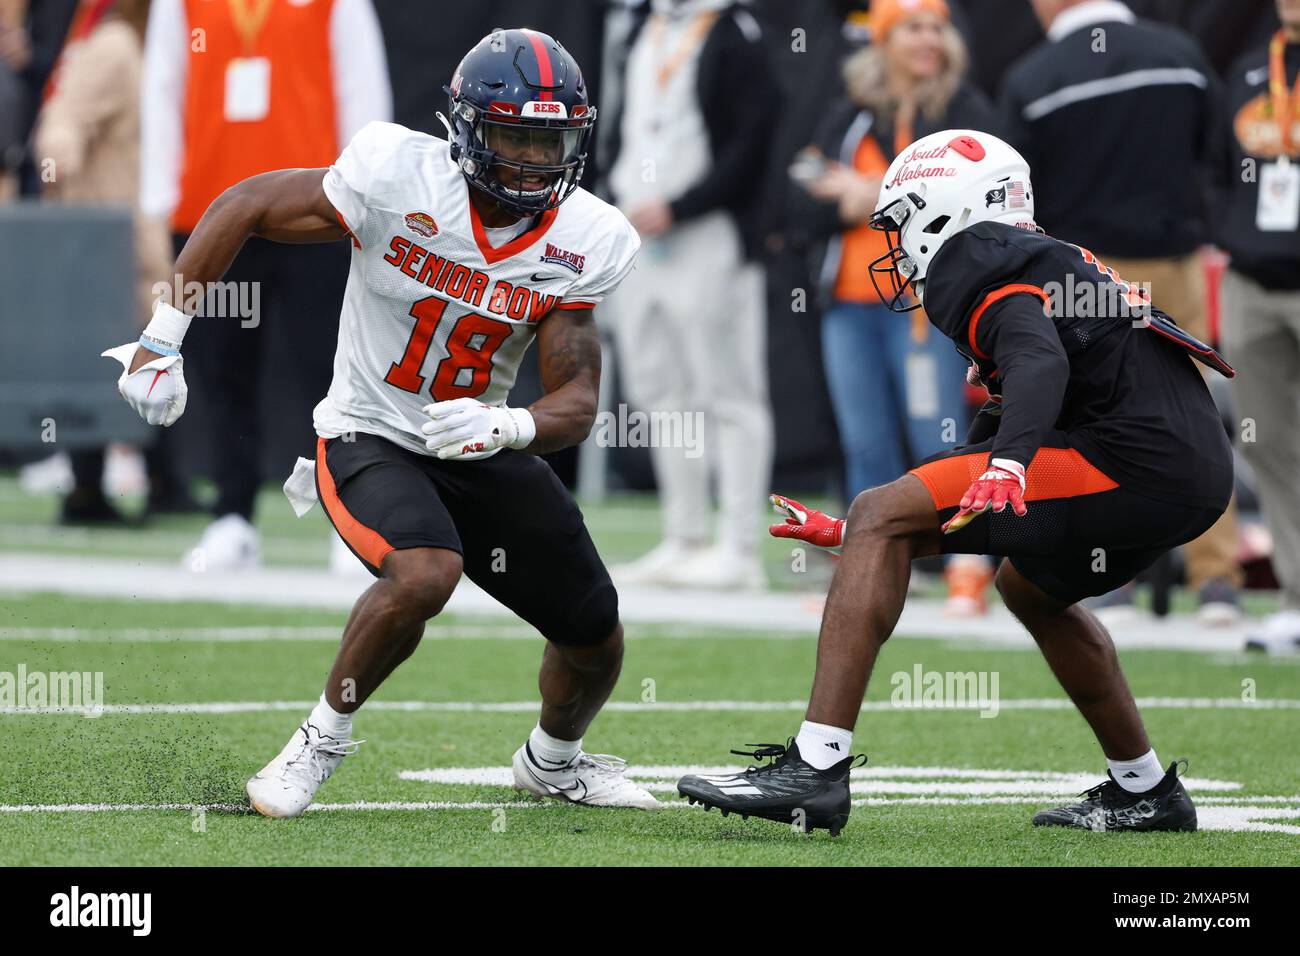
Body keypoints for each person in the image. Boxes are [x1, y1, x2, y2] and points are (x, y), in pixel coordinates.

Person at [104, 29, 656, 817]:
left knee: (595, 634)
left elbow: (577, 397)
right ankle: (319, 740)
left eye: (550, 140)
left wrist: (509, 428)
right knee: (425, 573)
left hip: (473, 441)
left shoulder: (584, 236)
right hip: (371, 431)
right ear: (467, 128)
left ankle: (552, 762)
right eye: (513, 135)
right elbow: (246, 202)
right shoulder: (397, 176)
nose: (533, 160)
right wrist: (164, 338)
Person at [677, 129, 1234, 836]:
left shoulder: (979, 258)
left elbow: (1037, 366)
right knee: (1026, 587)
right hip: (1185, 467)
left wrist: (1003, 468)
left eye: (903, 220)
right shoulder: (1038, 258)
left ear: (946, 211)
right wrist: (865, 536)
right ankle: (1145, 789)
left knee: (881, 508)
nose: (897, 242)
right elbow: (1003, 419)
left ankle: (813, 770)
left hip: (1133, 459)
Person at [1001, 0, 1242, 623]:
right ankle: (1218, 579)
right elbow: (1220, 154)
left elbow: (1015, 199)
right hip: (1176, 260)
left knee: (1094, 418)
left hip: (1083, 271)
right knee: (1199, 412)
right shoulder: (1180, 54)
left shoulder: (1033, 76)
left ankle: (1109, 571)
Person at [140, 0, 391, 569]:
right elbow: (162, 89)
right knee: (223, 372)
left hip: (316, 210)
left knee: (334, 369)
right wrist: (159, 207)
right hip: (212, 211)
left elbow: (363, 94)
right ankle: (232, 516)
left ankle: (351, 516)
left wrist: (370, 199)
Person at [788, 0, 1000, 615]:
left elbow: (975, 200)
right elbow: (799, 191)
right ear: (882, 40)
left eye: (937, 26)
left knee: (936, 436)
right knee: (865, 443)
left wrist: (870, 193)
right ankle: (865, 570)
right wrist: (845, 202)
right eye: (913, 27)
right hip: (849, 303)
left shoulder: (966, 110)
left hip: (926, 309)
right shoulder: (849, 113)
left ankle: (967, 568)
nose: (928, 39)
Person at [604, 0, 776, 590]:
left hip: (709, 234)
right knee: (659, 387)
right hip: (638, 234)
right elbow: (625, 126)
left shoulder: (733, 31)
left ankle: (741, 547)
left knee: (727, 389)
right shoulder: (641, 27)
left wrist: (683, 204)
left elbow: (753, 142)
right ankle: (685, 537)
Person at [1219, 0, 1300, 654]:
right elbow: (1214, 166)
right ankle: (1297, 600)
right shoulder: (1251, 70)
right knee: (1268, 440)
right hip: (1252, 280)